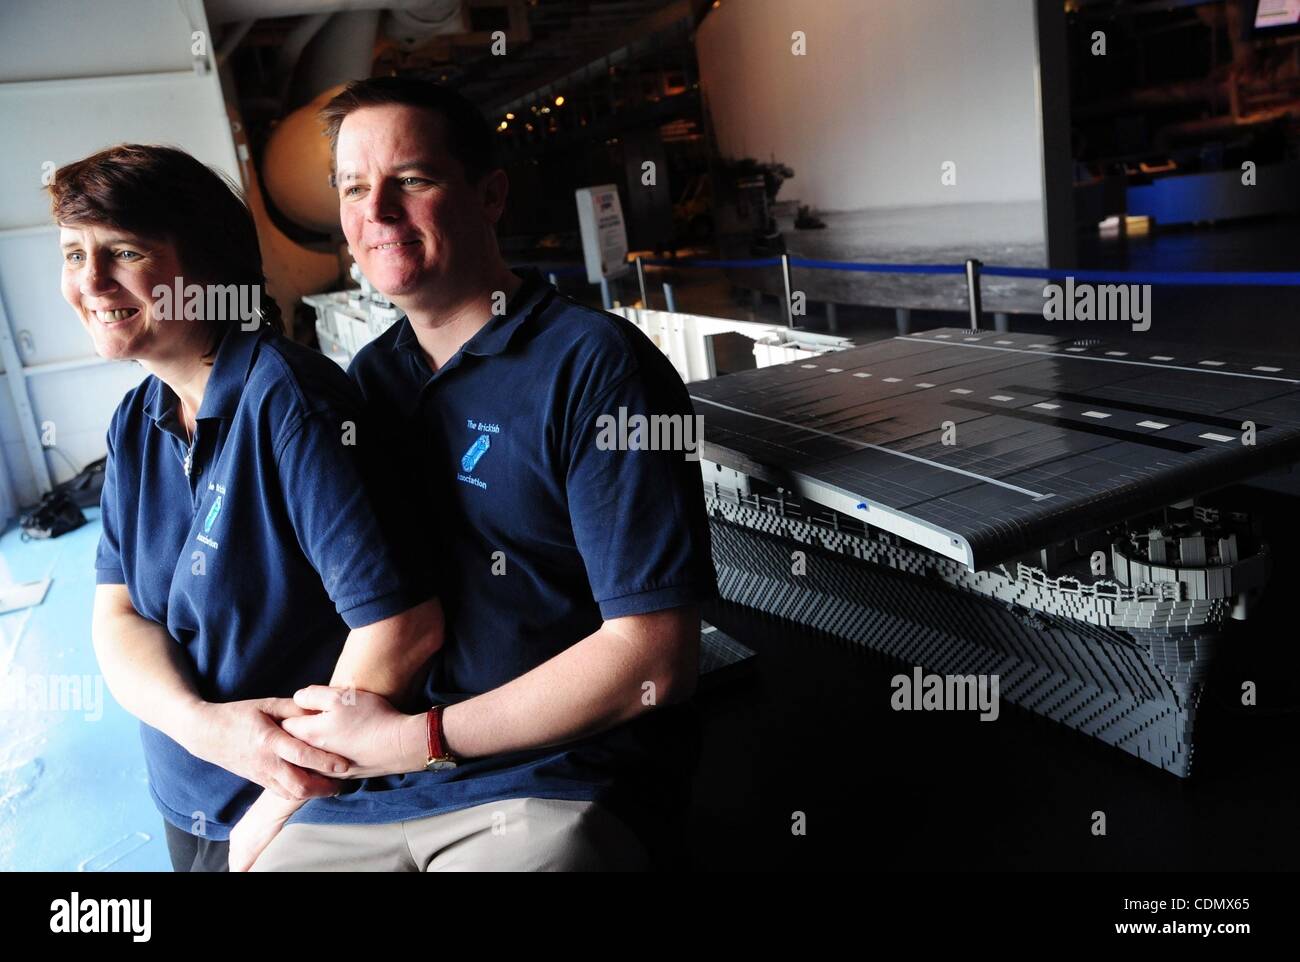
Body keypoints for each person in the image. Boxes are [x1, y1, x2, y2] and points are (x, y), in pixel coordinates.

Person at [239, 78, 717, 872]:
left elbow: (655, 659)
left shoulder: (593, 368)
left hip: (558, 775)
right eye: (355, 188)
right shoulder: (368, 382)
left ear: (490, 194)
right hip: (387, 782)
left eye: (413, 181)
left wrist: (417, 739)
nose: (379, 213)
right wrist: (294, 782)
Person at [53, 144, 444, 871]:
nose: (91, 281)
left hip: (305, 808)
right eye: (74, 254)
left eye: (124, 251)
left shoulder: (289, 404)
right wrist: (204, 729)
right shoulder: (138, 420)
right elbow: (118, 616)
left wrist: (275, 804)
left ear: (202, 265)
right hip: (192, 786)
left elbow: (401, 629)